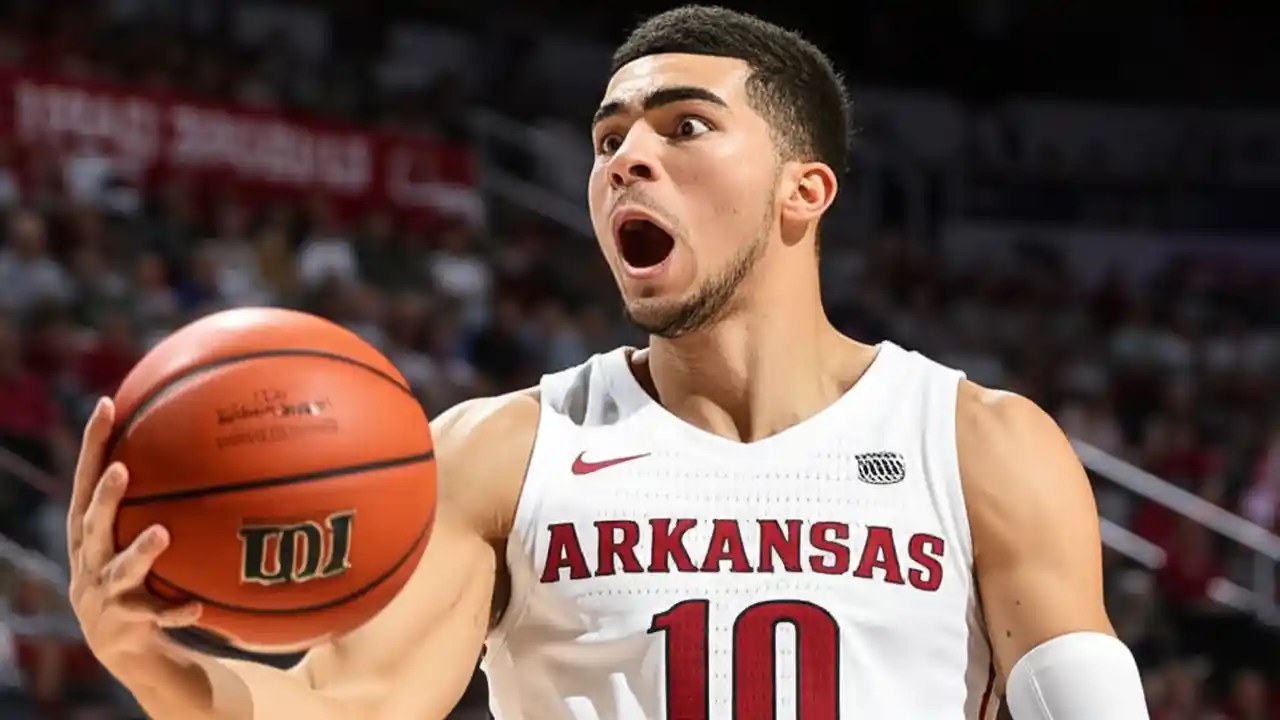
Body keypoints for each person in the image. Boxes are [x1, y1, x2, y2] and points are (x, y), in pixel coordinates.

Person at [65, 6, 1148, 719]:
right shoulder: (498, 453)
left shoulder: (976, 442)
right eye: (607, 138)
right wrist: (145, 657)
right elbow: (343, 707)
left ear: (801, 192)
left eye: (683, 127)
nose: (626, 156)